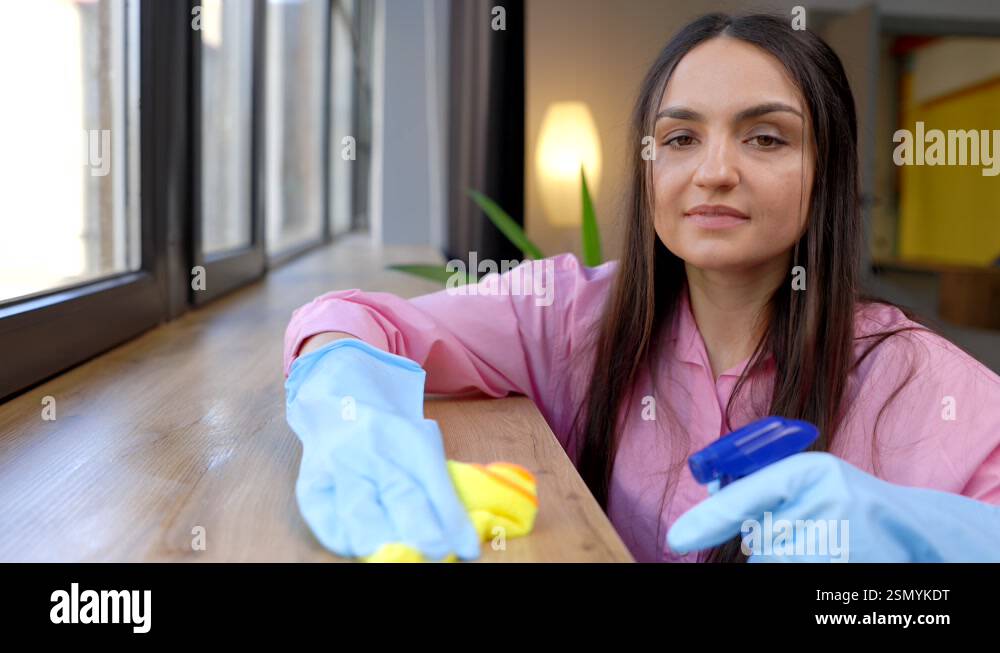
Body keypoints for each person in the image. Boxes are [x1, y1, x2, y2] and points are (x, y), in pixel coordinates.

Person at [282, 13, 1000, 563]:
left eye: (766, 138)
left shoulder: (914, 376)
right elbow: (349, 317)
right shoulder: (573, 315)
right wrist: (351, 415)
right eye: (681, 138)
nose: (713, 171)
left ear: (828, 174)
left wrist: (938, 543)